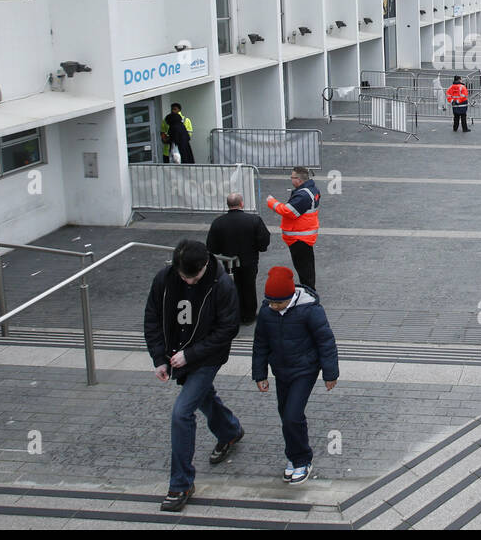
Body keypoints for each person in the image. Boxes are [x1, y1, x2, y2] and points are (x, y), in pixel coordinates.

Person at [143, 239, 242, 512]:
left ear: (205, 265)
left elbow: (227, 329)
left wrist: (191, 355)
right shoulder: (165, 279)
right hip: (177, 355)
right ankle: (230, 430)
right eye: (183, 276)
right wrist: (158, 357)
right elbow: (152, 317)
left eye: (193, 276)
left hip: (206, 358)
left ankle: (181, 483)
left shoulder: (222, 285)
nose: (187, 281)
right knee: (202, 397)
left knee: (181, 413)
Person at [252, 266, 339, 485]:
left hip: (305, 370)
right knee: (285, 414)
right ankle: (294, 456)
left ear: (289, 297)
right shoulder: (266, 312)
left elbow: (326, 341)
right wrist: (260, 374)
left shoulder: (310, 310)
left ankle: (302, 460)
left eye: (278, 303)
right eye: (270, 302)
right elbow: (260, 344)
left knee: (292, 415)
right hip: (281, 370)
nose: (273, 306)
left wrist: (330, 373)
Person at [206, 193, 272, 324]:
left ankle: (235, 313)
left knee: (233, 285)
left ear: (228, 204)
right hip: (249, 260)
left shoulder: (218, 222)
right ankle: (249, 315)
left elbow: (211, 246)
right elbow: (263, 240)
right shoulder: (254, 220)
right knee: (249, 286)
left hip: (228, 261)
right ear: (242, 203)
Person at [265, 167, 321, 291]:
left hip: (299, 238)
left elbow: (288, 211)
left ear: (299, 180)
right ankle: (309, 291)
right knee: (307, 268)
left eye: (292, 177)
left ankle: (309, 293)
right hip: (304, 236)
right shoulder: (311, 190)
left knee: (305, 270)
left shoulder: (303, 195)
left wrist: (271, 202)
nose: (291, 179)